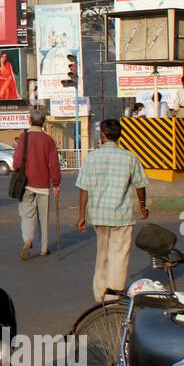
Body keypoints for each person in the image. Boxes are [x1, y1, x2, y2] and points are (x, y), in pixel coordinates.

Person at [76, 119, 150, 305]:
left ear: (102, 135)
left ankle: (99, 294)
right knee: (119, 256)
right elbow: (140, 185)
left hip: (99, 215)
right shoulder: (129, 157)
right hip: (122, 216)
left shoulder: (91, 158)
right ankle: (113, 294)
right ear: (119, 135)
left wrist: (82, 215)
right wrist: (142, 205)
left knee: (102, 255)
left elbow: (83, 189)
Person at [14, 108, 61, 260]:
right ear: (44, 122)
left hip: (26, 184)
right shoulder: (48, 140)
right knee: (43, 218)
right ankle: (44, 248)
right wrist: (56, 183)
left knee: (27, 215)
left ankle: (28, 240)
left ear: (29, 120)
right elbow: (54, 164)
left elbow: (17, 162)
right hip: (43, 185)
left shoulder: (24, 137)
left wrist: (18, 169)